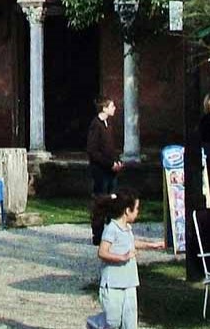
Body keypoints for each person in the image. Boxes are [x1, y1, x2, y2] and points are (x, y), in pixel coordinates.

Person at [96, 189, 165, 329]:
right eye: (137, 208)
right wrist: (122, 257)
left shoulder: (127, 228)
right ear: (128, 210)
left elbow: (130, 243)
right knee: (112, 322)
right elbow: (102, 252)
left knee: (130, 322)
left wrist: (151, 245)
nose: (138, 212)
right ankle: (94, 324)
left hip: (129, 283)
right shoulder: (111, 228)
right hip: (114, 285)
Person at [87, 97, 123, 196]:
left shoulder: (109, 123)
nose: (115, 108)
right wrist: (110, 164)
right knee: (102, 197)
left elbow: (110, 147)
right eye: (112, 106)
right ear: (104, 108)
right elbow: (92, 151)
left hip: (111, 169)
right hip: (100, 169)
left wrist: (117, 161)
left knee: (112, 196)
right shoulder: (96, 125)